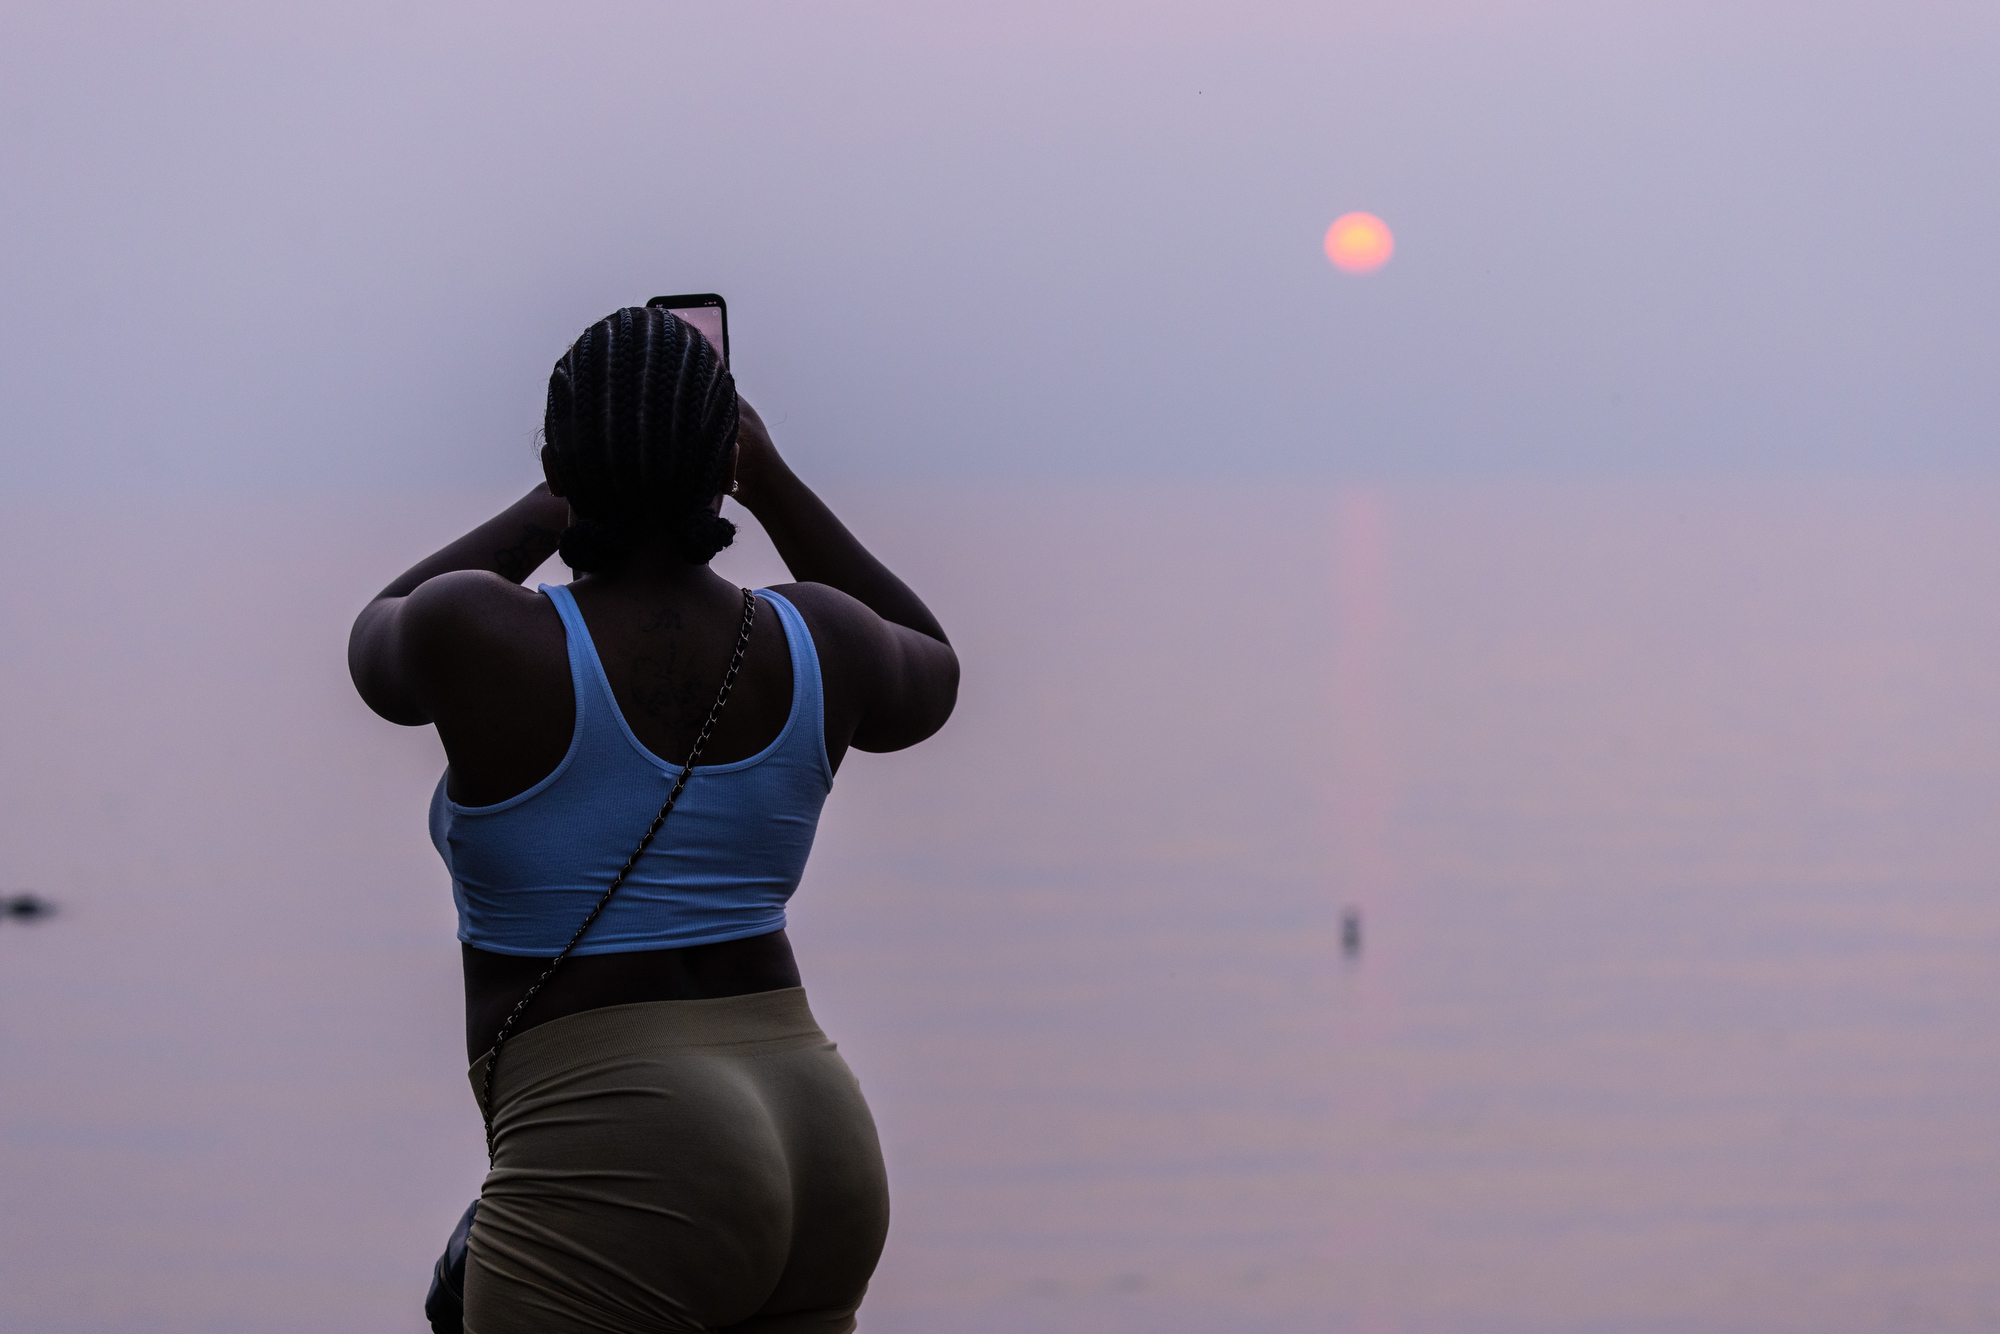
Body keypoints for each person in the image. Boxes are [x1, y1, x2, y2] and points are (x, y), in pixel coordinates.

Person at [347, 305, 959, 1334]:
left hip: (624, 1145)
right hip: (819, 1135)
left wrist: (558, 499)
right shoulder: (822, 639)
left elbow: (375, 641)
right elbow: (929, 662)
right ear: (723, 459)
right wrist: (763, 479)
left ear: (558, 457)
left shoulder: (480, 630)